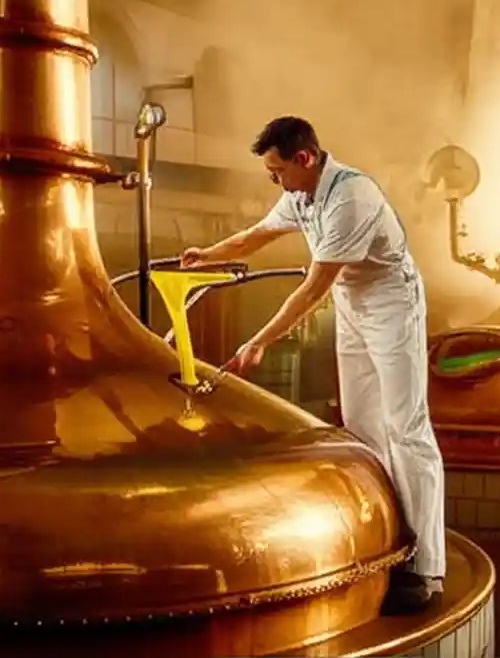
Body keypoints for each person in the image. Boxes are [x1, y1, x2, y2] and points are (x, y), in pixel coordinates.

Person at [181, 116, 446, 614]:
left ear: (305, 158)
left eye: (277, 171)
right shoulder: (301, 194)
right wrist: (208, 255)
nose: (275, 181)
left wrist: (259, 341)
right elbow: (258, 234)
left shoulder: (352, 196)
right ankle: (387, 535)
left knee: (406, 428)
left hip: (391, 304)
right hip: (352, 305)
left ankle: (426, 567)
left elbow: (313, 287)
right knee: (364, 425)